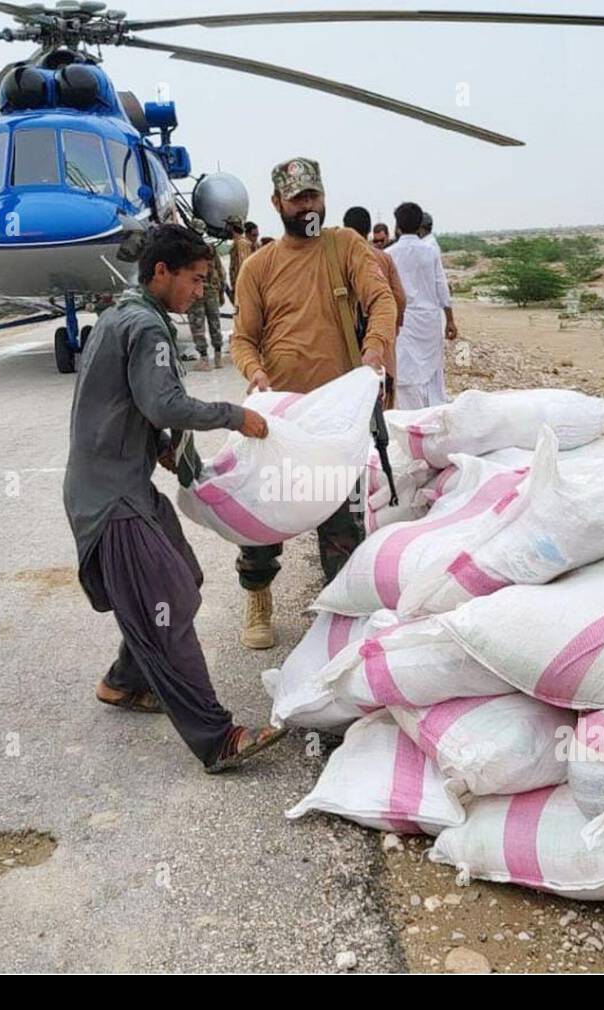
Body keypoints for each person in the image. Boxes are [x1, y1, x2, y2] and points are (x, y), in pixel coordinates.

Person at [63, 223, 284, 773]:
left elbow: (127, 402)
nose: (199, 291)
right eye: (194, 279)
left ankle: (124, 682)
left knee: (183, 577)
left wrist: (160, 445)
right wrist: (236, 416)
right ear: (161, 271)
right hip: (113, 499)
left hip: (124, 485)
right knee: (169, 608)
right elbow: (163, 403)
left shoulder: (123, 314)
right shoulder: (146, 326)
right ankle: (216, 737)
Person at [230, 157, 396, 649]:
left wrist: (374, 351)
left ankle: (339, 613)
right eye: (299, 198)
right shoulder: (259, 267)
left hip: (336, 420)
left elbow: (382, 300)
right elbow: (242, 339)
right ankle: (258, 597)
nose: (309, 206)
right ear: (278, 203)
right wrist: (254, 372)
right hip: (279, 419)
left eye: (314, 196)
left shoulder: (344, 246)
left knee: (341, 520)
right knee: (264, 514)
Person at [386, 202, 458, 410]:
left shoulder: (390, 254)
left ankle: (412, 418)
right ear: (420, 225)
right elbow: (441, 286)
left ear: (397, 226)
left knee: (406, 373)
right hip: (429, 319)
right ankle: (433, 413)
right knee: (432, 373)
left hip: (403, 321)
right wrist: (450, 319)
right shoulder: (430, 251)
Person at [343, 205, 406, 406]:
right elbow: (399, 297)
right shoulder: (383, 257)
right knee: (384, 394)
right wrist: (395, 326)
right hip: (378, 338)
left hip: (346, 342)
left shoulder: (335, 260)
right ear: (368, 229)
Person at [187, 240, 226, 369]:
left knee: (197, 325)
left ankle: (204, 359)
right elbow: (221, 272)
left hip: (196, 291)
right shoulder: (211, 249)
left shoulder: (190, 249)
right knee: (215, 323)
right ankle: (218, 357)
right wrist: (221, 293)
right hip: (212, 291)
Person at [226, 217, 254, 296]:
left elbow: (243, 265)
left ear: (231, 227)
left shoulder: (241, 243)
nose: (225, 228)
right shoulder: (239, 242)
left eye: (227, 226)